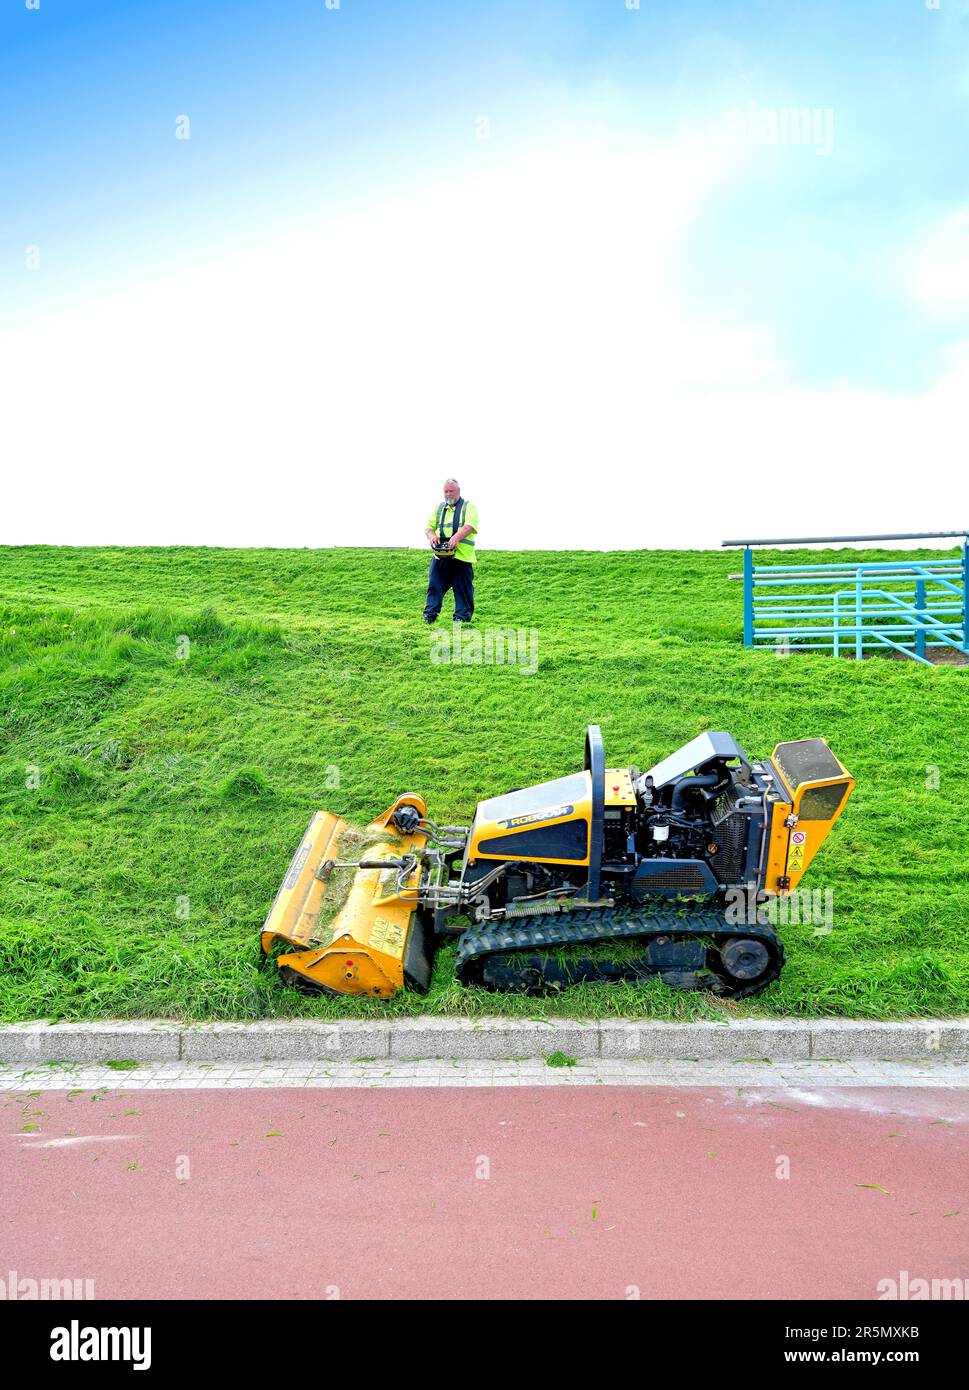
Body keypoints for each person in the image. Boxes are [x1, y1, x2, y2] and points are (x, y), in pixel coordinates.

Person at [423, 479, 478, 624]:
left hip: (462, 557)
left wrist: (456, 537)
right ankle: (430, 616)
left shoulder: (469, 507)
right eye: (445, 491)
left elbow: (470, 526)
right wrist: (432, 536)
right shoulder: (439, 508)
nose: (448, 494)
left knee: (463, 589)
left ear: (458, 491)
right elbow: (428, 527)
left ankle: (461, 619)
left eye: (451, 491)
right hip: (440, 556)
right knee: (434, 585)